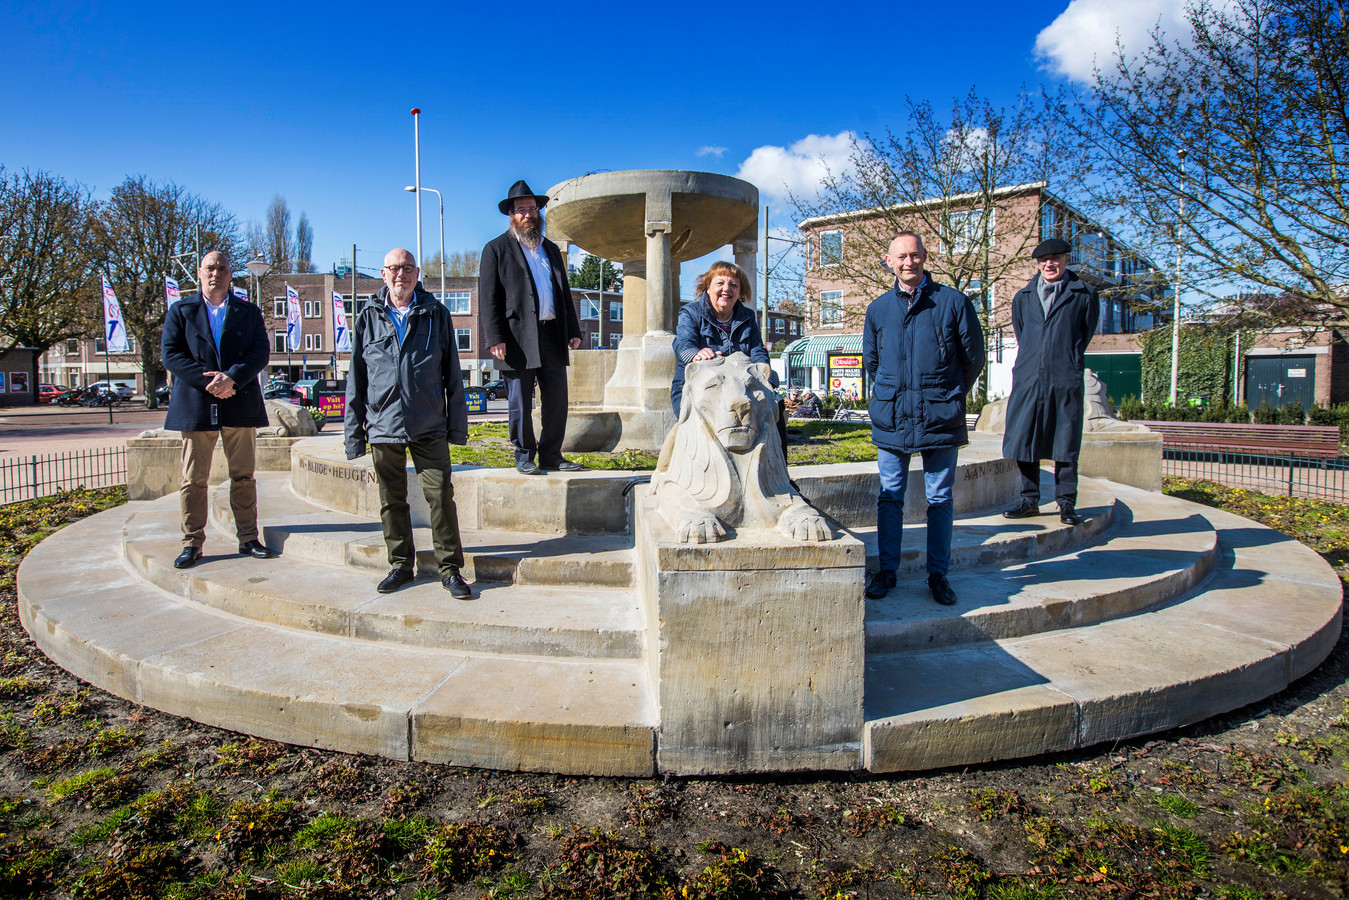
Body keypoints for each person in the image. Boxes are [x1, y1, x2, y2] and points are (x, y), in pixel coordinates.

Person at [863, 232, 985, 606]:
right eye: (901, 256)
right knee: (890, 497)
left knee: (940, 498)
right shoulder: (878, 309)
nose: (908, 262)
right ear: (888, 261)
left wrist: (947, 394)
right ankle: (887, 571)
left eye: (915, 255)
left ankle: (938, 575)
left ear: (925, 256)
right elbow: (872, 362)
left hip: (940, 417)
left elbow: (973, 358)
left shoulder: (954, 302)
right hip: (892, 417)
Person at [344, 248, 473, 599]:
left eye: (408, 268)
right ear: (383, 275)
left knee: (440, 496)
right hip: (383, 424)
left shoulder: (436, 314)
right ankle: (401, 565)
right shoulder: (368, 316)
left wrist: (456, 428)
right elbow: (356, 379)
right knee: (391, 500)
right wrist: (354, 436)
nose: (401, 274)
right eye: (394, 268)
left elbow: (453, 376)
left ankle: (449, 570)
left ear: (417, 274)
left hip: (428, 423)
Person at [161, 251, 275, 569]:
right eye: (210, 268)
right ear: (199, 272)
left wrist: (233, 378)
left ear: (230, 275)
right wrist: (208, 381)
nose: (216, 273)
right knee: (194, 478)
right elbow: (171, 354)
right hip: (197, 403)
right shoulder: (180, 311)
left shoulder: (248, 312)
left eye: (222, 268)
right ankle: (191, 543)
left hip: (240, 401)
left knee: (243, 476)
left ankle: (248, 538)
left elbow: (260, 352)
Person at [479, 180, 585, 475]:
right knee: (520, 402)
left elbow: (563, 292)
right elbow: (488, 298)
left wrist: (573, 330)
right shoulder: (495, 250)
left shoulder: (550, 249)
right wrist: (494, 338)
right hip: (515, 337)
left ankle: (551, 455)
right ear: (511, 215)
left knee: (557, 400)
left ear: (539, 212)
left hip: (552, 333)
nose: (528, 214)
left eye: (532, 208)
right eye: (521, 210)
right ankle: (524, 455)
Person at [1001, 237, 1100, 526]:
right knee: (1024, 438)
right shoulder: (1023, 296)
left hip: (1064, 377)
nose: (1049, 263)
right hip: (1029, 377)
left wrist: (1067, 360)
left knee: (1065, 441)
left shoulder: (1084, 294)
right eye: (1044, 260)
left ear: (1067, 259)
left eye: (1055, 258)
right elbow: (1023, 335)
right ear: (1038, 264)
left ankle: (1066, 502)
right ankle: (1029, 499)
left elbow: (1084, 334)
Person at [672, 261, 787, 459]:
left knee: (774, 405)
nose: (727, 289)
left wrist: (767, 376)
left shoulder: (747, 317)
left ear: (740, 291)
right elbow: (682, 343)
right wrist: (696, 355)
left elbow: (758, 352)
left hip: (741, 386)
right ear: (708, 287)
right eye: (720, 283)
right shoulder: (691, 313)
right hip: (705, 389)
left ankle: (778, 474)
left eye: (733, 284)